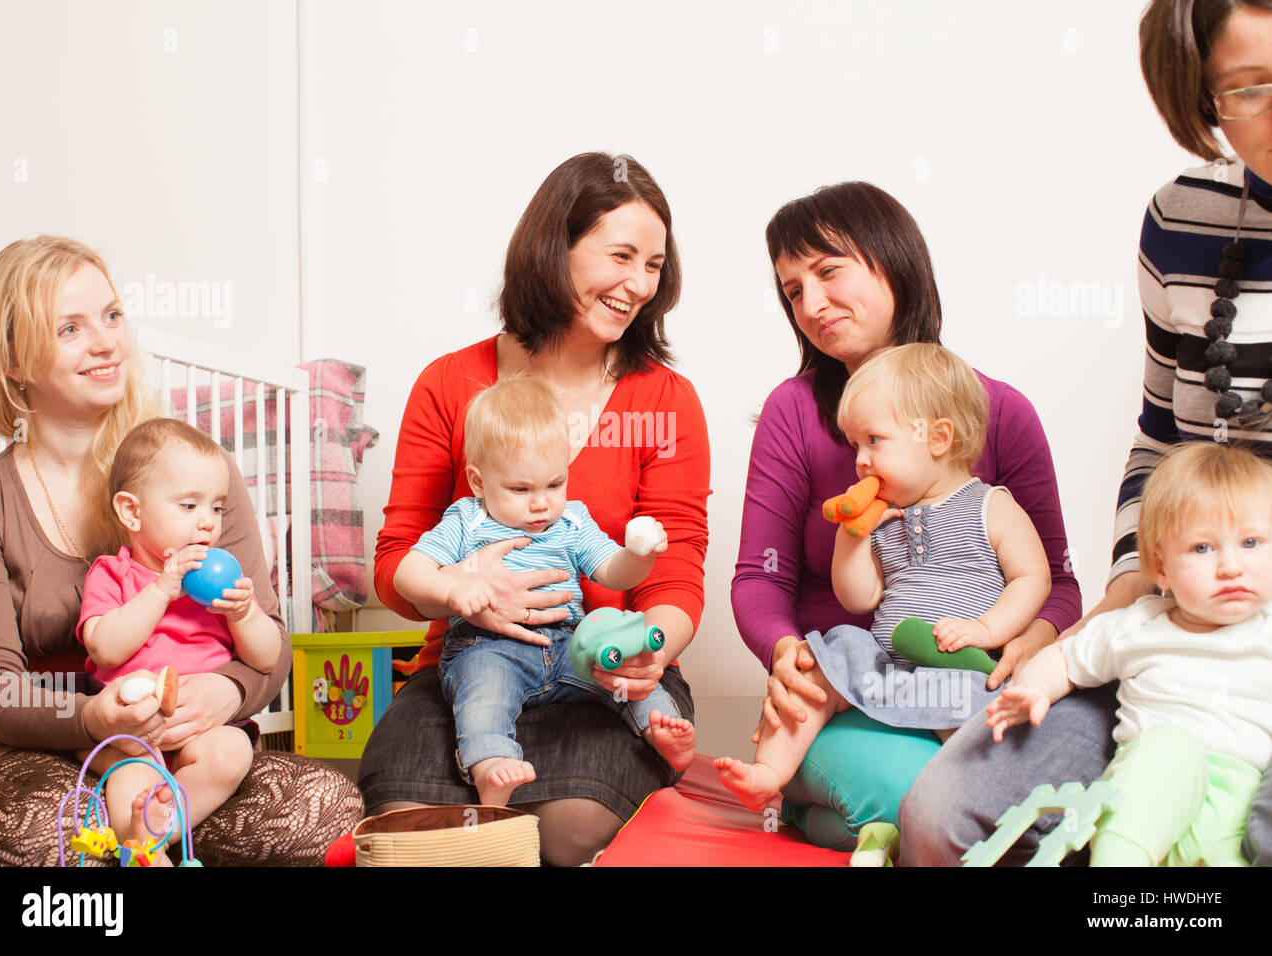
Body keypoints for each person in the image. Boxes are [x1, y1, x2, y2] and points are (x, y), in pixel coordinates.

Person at [899, 0, 1272, 866]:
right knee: (945, 815)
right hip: (1181, 619)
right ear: (1202, 101)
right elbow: (1156, 436)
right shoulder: (1183, 220)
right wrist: (1133, 575)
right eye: (1251, 89)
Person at [361, 152, 710, 865]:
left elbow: (673, 575)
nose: (639, 284)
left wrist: (650, 653)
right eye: (621, 256)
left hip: (602, 666)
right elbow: (395, 563)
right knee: (416, 836)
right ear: (556, 248)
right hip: (469, 666)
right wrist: (469, 593)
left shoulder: (664, 400)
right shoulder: (449, 382)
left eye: (654, 265)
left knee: (566, 825)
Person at [0, 236, 362, 865]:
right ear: (14, 361)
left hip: (186, 752)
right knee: (46, 840)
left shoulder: (198, 475)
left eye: (113, 315)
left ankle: (151, 835)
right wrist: (94, 719)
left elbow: (267, 645)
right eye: (70, 327)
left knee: (324, 808)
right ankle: (140, 842)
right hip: (37, 752)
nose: (105, 343)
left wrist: (227, 694)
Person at [732, 182, 1080, 851]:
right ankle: (828, 798)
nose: (810, 303)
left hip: (965, 682)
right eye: (792, 289)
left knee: (983, 805)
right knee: (917, 798)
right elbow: (757, 578)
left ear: (895, 261)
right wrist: (790, 654)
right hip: (841, 687)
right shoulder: (794, 411)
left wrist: (1024, 641)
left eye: (828, 272)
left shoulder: (999, 410)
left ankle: (822, 820)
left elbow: (1055, 581)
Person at [718, 344, 1050, 812]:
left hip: (954, 663)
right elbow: (860, 598)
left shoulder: (991, 506)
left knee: (984, 719)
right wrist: (852, 539)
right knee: (821, 660)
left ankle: (981, 804)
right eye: (856, 444)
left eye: (874, 440)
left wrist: (986, 630)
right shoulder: (888, 519)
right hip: (886, 664)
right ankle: (769, 771)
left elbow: (1032, 578)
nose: (860, 460)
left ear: (938, 438)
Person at [393, 377, 694, 806]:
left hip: (569, 644)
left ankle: (661, 726)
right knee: (483, 693)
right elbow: (408, 572)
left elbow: (613, 571)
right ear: (478, 482)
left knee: (625, 676)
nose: (541, 504)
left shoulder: (571, 521)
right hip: (489, 646)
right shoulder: (466, 521)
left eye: (554, 484)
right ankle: (491, 765)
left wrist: (639, 555)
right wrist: (452, 588)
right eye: (521, 489)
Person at [988, 442, 1272, 866]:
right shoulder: (1137, 625)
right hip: (1149, 790)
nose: (1230, 566)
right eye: (1202, 548)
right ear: (1160, 567)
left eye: (1250, 542)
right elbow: (1066, 657)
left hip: (1239, 802)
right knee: (1170, 751)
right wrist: (1032, 688)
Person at [75, 418, 281, 858]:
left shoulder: (222, 581)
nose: (208, 523)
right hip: (132, 732)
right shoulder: (113, 574)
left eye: (217, 508)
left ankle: (154, 838)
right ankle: (142, 829)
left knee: (231, 751)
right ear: (132, 512)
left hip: (203, 731)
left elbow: (266, 658)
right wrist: (161, 590)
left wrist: (244, 614)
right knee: (134, 772)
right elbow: (105, 648)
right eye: (189, 507)